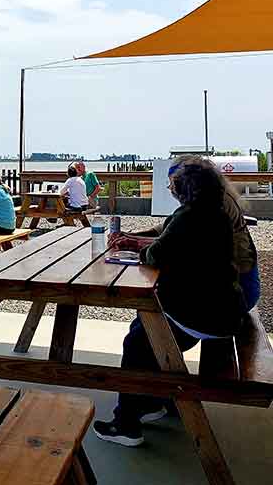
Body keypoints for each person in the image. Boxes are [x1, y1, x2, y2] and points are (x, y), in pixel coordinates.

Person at [93, 160, 248, 447]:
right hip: (225, 309)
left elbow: (155, 255)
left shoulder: (190, 217)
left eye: (173, 185)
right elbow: (168, 245)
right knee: (144, 328)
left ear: (185, 189)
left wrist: (137, 247)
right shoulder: (215, 214)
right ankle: (155, 400)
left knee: (139, 340)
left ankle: (126, 422)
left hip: (205, 315)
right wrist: (141, 243)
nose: (171, 189)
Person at [109, 155, 260, 310]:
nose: (172, 189)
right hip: (231, 289)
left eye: (173, 183)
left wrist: (134, 243)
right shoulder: (209, 200)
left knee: (151, 307)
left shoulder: (207, 208)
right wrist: (130, 236)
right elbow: (171, 234)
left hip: (237, 289)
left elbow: (168, 246)